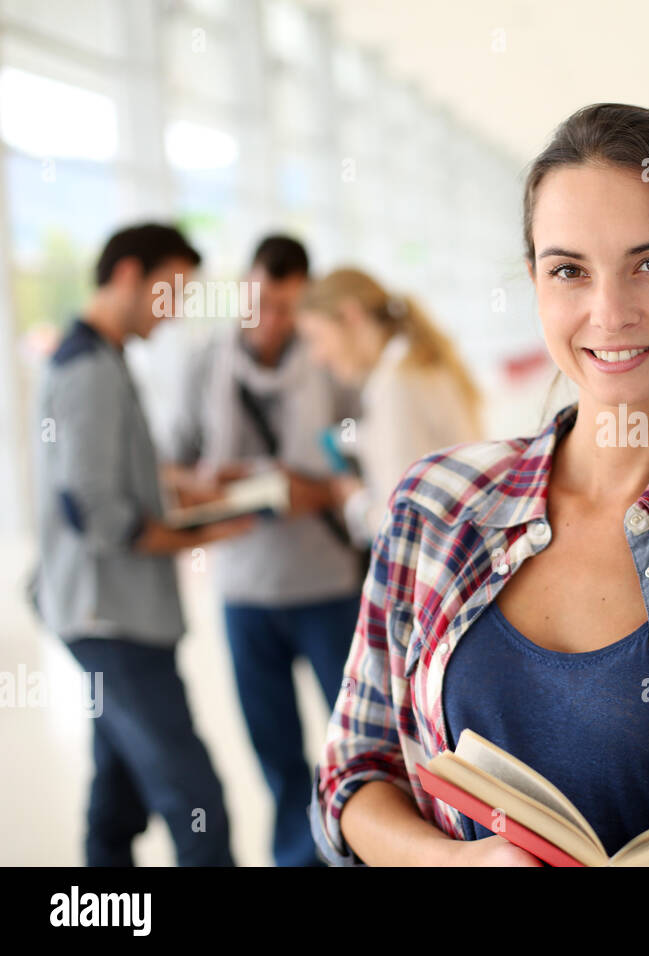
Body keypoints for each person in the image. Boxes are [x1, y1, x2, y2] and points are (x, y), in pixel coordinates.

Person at [310, 103, 649, 867]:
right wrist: (456, 863)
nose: (609, 313)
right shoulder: (434, 506)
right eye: (568, 270)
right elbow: (353, 773)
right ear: (535, 279)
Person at [32, 222, 255, 866]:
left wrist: (196, 486)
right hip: (113, 621)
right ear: (129, 274)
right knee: (198, 804)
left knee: (116, 802)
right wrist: (204, 534)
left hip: (115, 616)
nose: (176, 309)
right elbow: (97, 511)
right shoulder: (89, 370)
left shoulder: (100, 359)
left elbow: (114, 475)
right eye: (171, 291)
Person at [163, 235, 364, 867]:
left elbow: (367, 460)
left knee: (355, 746)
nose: (269, 321)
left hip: (328, 585)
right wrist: (203, 485)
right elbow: (173, 462)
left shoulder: (328, 358)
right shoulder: (206, 363)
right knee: (276, 754)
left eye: (285, 308)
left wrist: (325, 488)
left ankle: (357, 853)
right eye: (259, 303)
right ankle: (295, 860)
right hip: (245, 593)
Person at [294, 267, 485, 548]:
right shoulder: (414, 366)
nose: (317, 357)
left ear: (350, 315)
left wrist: (354, 500)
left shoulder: (397, 383)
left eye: (317, 338)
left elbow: (400, 520)